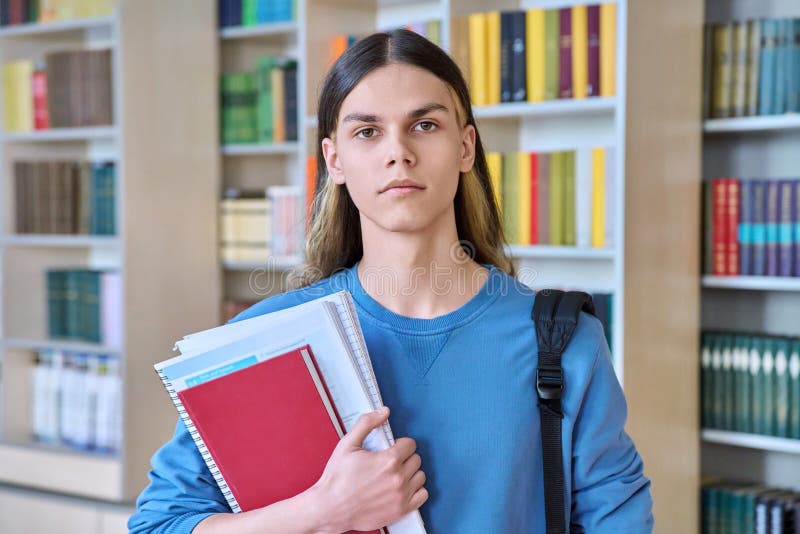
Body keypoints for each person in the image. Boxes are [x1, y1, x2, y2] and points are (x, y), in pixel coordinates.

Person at [129, 29, 653, 533]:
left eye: (424, 125)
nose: (398, 152)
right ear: (334, 159)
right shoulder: (262, 341)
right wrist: (320, 512)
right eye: (367, 131)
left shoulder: (562, 341)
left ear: (466, 146)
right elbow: (158, 525)